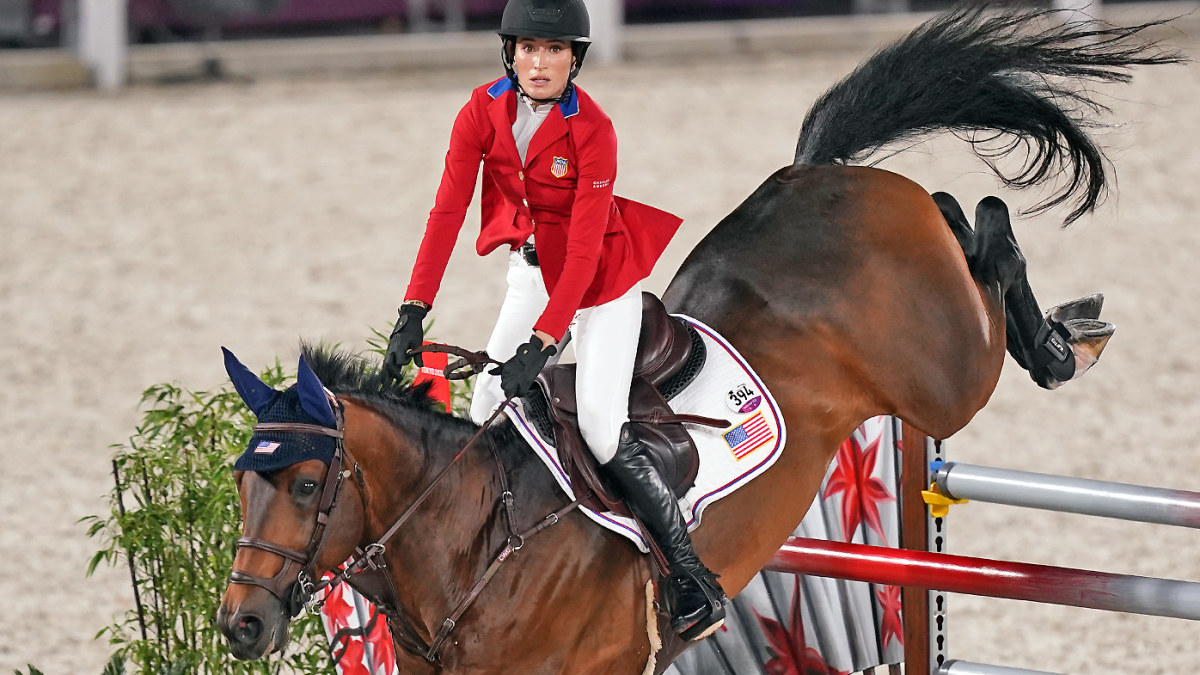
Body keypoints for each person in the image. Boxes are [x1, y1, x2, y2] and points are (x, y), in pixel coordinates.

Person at [381, 0, 726, 641]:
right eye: (529, 49)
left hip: (602, 284)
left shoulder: (593, 129)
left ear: (574, 58)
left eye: (555, 50)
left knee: (599, 425)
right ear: (510, 52)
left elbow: (588, 249)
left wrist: (544, 342)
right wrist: (414, 308)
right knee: (487, 404)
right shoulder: (479, 111)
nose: (540, 63)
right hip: (532, 272)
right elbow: (447, 211)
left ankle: (690, 576)